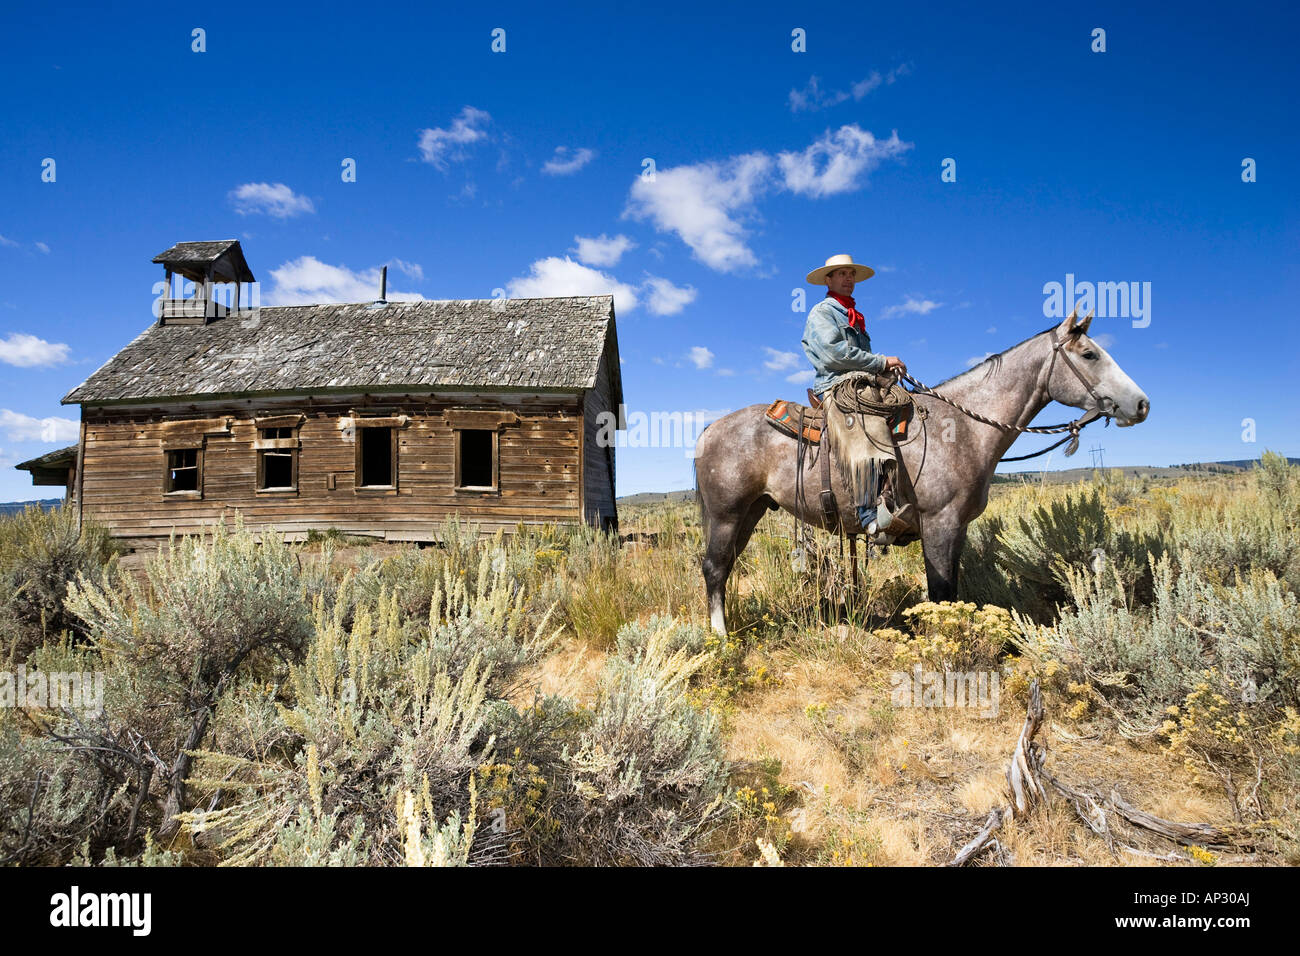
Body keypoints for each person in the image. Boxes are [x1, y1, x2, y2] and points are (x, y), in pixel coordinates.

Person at [800, 253, 910, 535]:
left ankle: (897, 494)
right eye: (842, 274)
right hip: (835, 384)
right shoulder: (822, 312)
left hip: (861, 381)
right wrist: (881, 362)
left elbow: (862, 358)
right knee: (867, 421)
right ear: (828, 279)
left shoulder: (855, 316)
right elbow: (833, 354)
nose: (848, 279)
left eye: (851, 274)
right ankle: (868, 515)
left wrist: (882, 374)